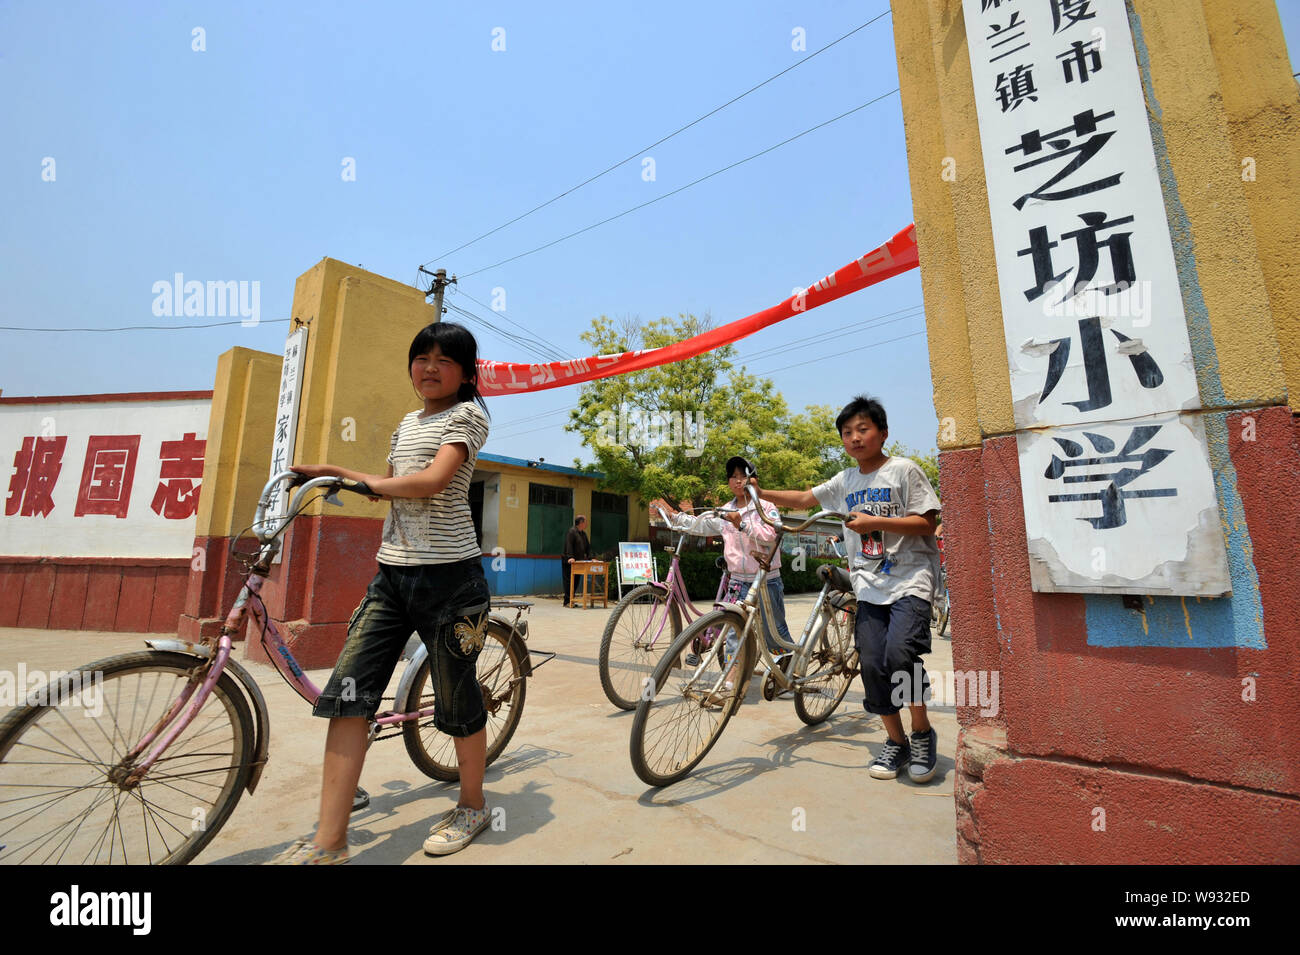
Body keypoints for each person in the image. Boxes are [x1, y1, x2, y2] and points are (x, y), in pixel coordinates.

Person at [270, 321, 493, 864]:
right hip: (391, 576)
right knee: (349, 694)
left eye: (444, 359)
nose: (430, 367)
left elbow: (431, 483)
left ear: (466, 373)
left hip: (451, 580)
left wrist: (356, 482)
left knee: (456, 699)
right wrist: (336, 472)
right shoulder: (406, 422)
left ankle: (473, 804)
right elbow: (391, 489)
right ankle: (330, 839)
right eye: (421, 357)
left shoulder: (468, 417)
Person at [755, 397, 942, 783]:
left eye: (863, 429)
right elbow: (806, 499)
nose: (855, 438)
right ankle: (897, 741)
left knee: (900, 654)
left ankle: (922, 734)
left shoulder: (904, 471)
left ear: (882, 433)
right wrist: (762, 493)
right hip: (869, 586)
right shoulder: (844, 481)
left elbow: (928, 522)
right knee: (872, 662)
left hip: (910, 580)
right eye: (847, 433)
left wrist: (877, 521)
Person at [655, 456, 792, 675]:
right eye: (733, 477)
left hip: (766, 581)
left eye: (743, 476)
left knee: (773, 631)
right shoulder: (725, 510)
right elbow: (702, 524)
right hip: (737, 581)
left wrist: (742, 524)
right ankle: (730, 684)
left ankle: (787, 671)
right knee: (733, 630)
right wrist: (677, 518)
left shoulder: (765, 507)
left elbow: (770, 535)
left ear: (753, 480)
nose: (738, 481)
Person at [562, 515, 591, 606]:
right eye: (585, 522)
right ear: (581, 523)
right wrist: (570, 557)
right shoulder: (572, 532)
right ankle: (567, 601)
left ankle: (572, 600)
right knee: (569, 581)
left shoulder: (583, 534)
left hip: (579, 562)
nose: (586, 524)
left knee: (576, 581)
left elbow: (587, 547)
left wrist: (591, 557)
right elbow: (568, 544)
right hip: (570, 561)